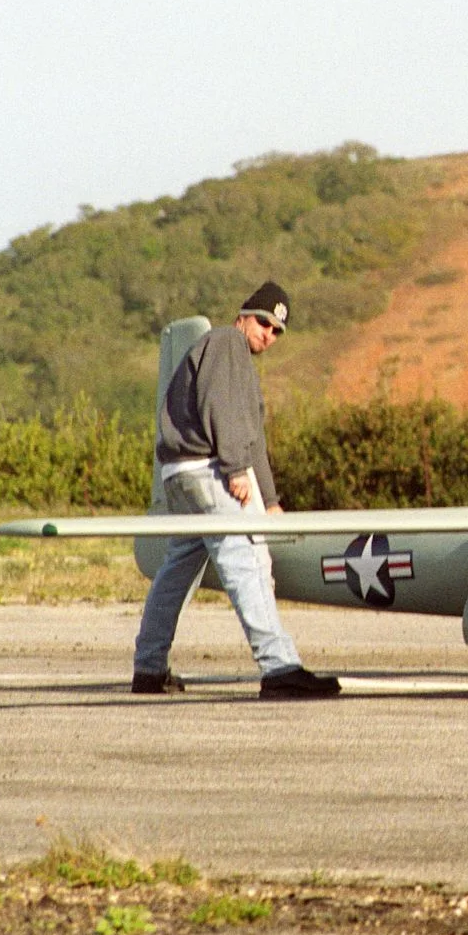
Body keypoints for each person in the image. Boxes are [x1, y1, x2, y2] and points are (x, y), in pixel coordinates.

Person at [133, 282, 342, 700]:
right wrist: (232, 468)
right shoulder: (227, 342)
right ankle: (279, 666)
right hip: (209, 471)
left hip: (181, 474)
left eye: (277, 331)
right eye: (264, 322)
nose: (269, 334)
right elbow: (220, 409)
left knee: (177, 569)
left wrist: (272, 498)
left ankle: (148, 668)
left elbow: (254, 440)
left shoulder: (234, 357)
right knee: (248, 560)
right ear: (244, 316)